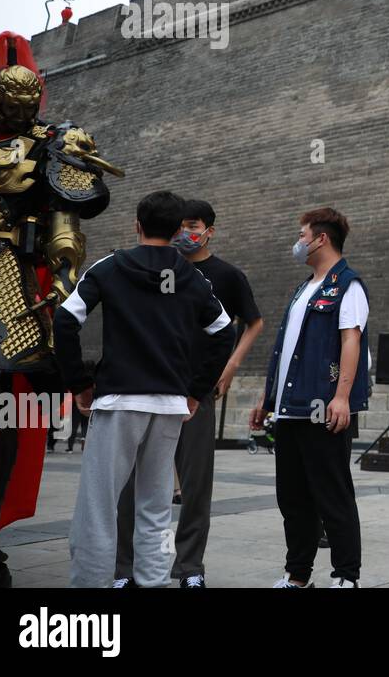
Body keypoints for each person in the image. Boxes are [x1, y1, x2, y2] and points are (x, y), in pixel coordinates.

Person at [0, 30, 117, 587]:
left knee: (9, 378)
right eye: (11, 103)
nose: (20, 112)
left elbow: (65, 217)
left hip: (1, 265)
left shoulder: (50, 140)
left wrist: (65, 276)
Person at [55, 191, 234, 588]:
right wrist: (195, 390)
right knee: (155, 507)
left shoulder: (112, 266)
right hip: (169, 403)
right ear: (176, 232)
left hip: (120, 399)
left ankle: (91, 586)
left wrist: (79, 385)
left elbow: (65, 321)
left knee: (98, 506)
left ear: (137, 225)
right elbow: (224, 331)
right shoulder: (191, 276)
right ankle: (154, 580)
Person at [112, 199, 264, 588]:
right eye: (180, 225)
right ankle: (125, 569)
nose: (185, 233)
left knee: (195, 487)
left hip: (196, 390)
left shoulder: (225, 275)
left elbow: (252, 322)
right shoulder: (158, 266)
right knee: (132, 482)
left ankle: (190, 569)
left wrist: (229, 366)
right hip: (149, 385)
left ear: (209, 230)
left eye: (192, 226)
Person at [251, 207, 370, 588]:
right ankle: (297, 575)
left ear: (321, 238)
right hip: (290, 411)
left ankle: (347, 577)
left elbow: (351, 340)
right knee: (293, 500)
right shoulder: (304, 288)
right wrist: (266, 400)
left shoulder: (347, 285)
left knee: (333, 496)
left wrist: (342, 396)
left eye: (302, 234)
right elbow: (286, 351)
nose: (298, 241)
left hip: (323, 409)